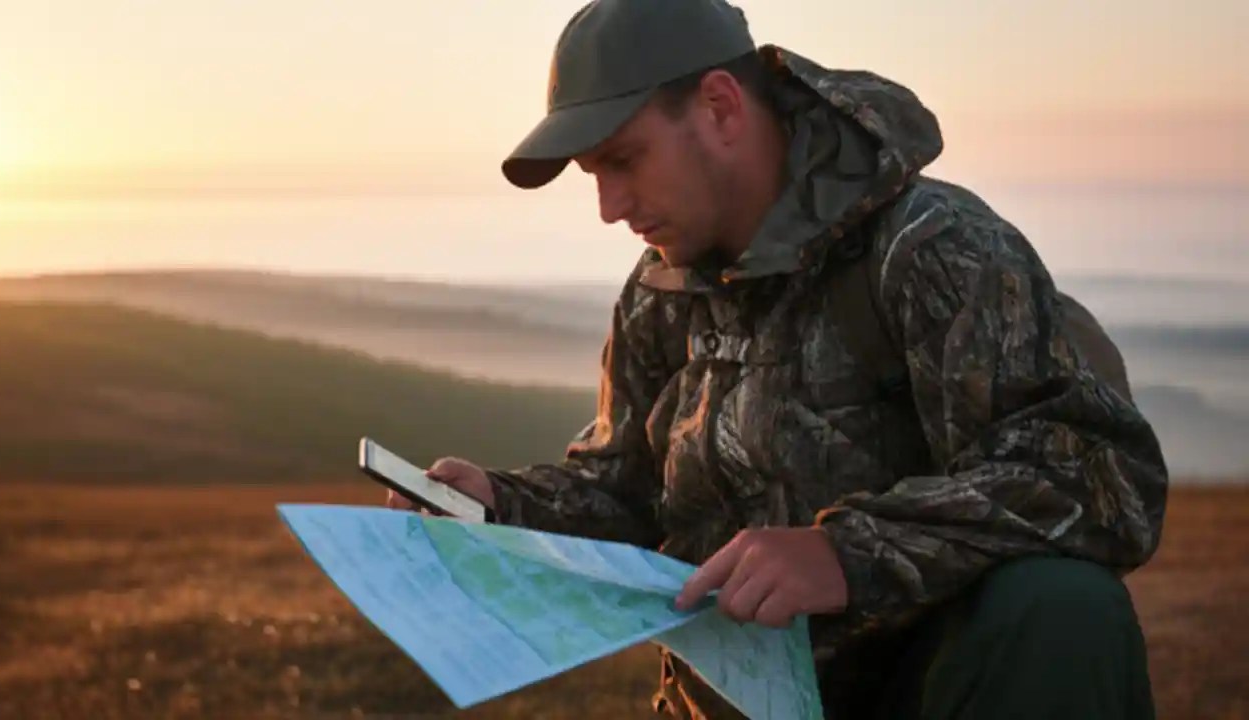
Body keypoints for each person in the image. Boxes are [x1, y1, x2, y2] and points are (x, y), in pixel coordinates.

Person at [387, 1, 1169, 717]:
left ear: (721, 107)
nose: (608, 207)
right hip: (729, 708)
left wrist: (846, 553)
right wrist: (498, 506)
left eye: (624, 160)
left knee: (1062, 606)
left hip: (934, 694)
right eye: (595, 175)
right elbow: (628, 489)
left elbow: (1100, 475)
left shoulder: (930, 250)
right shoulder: (660, 290)